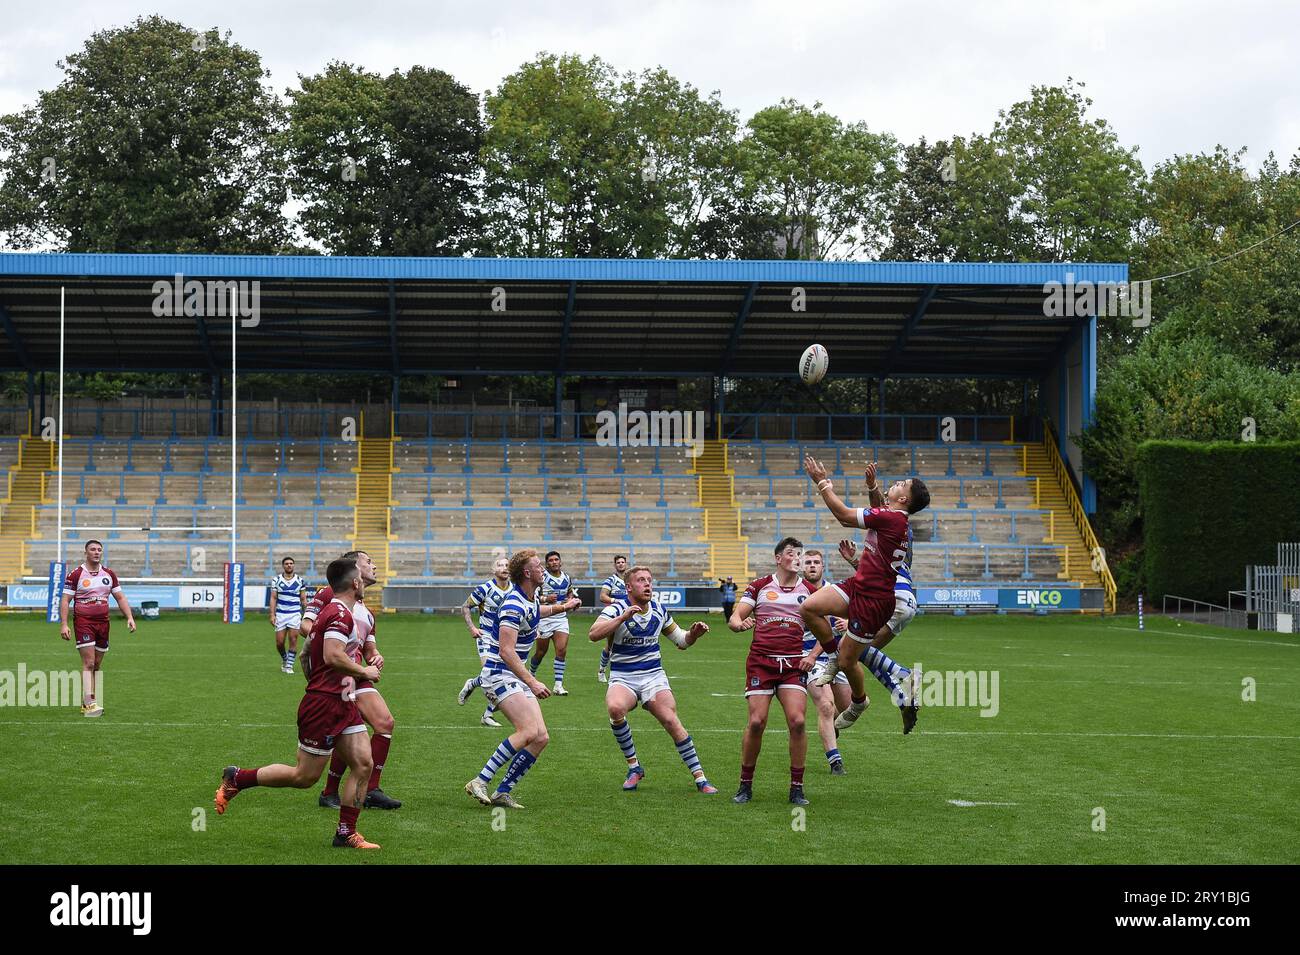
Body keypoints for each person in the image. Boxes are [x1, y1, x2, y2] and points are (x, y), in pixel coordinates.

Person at [214, 557, 382, 849]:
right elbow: (332, 655)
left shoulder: (334, 612)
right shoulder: (340, 614)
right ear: (355, 583)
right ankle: (237, 778)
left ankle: (346, 832)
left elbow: (306, 656)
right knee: (304, 777)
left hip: (341, 700)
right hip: (325, 706)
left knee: (364, 763)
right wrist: (363, 671)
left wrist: (322, 682)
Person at [799, 458, 929, 736]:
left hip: (880, 601)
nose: (896, 483)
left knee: (852, 658)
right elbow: (881, 510)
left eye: (901, 484)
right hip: (866, 589)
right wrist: (873, 486)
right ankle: (899, 684)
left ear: (904, 498)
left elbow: (846, 516)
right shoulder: (895, 521)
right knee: (811, 609)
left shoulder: (893, 519)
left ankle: (864, 697)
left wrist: (822, 483)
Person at [464, 549, 581, 810]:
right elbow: (506, 651)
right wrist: (533, 681)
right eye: (539, 566)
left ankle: (502, 791)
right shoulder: (513, 605)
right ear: (527, 573)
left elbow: (537, 611)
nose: (543, 570)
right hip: (498, 673)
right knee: (528, 731)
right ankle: (480, 781)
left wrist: (565, 606)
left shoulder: (529, 598)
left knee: (541, 738)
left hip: (512, 674)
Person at [588, 566, 717, 795]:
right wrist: (622, 618)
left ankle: (701, 778)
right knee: (615, 708)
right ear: (629, 587)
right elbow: (593, 634)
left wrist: (694, 634)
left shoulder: (659, 610)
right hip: (623, 677)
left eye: (649, 580)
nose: (647, 584)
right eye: (641, 580)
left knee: (671, 720)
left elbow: (681, 641)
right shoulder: (616, 608)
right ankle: (634, 767)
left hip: (653, 676)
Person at [299, 550, 401, 810]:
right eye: (369, 562)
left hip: (355, 673)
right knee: (347, 731)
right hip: (337, 675)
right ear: (355, 568)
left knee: (384, 723)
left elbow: (369, 648)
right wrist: (330, 646)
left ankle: (370, 788)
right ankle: (332, 791)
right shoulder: (329, 594)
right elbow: (306, 625)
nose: (375, 566)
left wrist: (376, 657)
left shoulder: (367, 612)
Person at [729, 537, 814, 806]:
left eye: (800, 554)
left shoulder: (810, 590)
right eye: (792, 554)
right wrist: (737, 624)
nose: (797, 558)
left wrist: (812, 655)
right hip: (761, 662)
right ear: (779, 558)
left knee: (798, 722)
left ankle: (797, 788)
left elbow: (830, 629)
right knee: (756, 722)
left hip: (792, 664)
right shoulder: (759, 586)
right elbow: (735, 617)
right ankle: (745, 785)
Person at [59, 540, 135, 718]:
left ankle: (89, 701)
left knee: (97, 665)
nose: (96, 552)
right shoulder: (76, 574)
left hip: (103, 623)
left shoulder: (109, 574)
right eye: (93, 549)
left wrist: (130, 617)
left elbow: (120, 597)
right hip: (84, 622)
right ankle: (89, 703)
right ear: (85, 552)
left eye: (99, 550)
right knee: (89, 663)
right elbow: (65, 600)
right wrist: (64, 624)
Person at [797, 550, 851, 774]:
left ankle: (830, 727)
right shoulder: (795, 592)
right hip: (809, 655)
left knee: (849, 708)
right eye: (808, 562)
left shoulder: (834, 592)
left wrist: (848, 622)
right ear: (801, 566)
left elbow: (856, 614)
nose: (812, 566)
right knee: (826, 706)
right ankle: (835, 761)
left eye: (816, 562)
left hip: (834, 655)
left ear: (822, 566)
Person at [458, 556, 511, 727]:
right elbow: (465, 606)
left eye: (507, 565)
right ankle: (486, 712)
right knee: (491, 676)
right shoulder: (485, 589)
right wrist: (472, 628)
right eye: (500, 565)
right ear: (493, 570)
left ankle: (486, 713)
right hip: (486, 636)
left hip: (506, 639)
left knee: (506, 679)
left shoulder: (515, 590)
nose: (504, 568)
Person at [528, 550, 577, 695]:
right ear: (547, 563)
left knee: (561, 651)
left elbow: (570, 593)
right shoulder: (542, 578)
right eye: (551, 560)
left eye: (556, 560)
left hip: (561, 617)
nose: (554, 562)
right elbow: (534, 596)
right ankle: (531, 674)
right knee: (541, 652)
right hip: (545, 617)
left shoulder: (566, 578)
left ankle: (558, 685)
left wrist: (571, 600)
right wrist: (545, 599)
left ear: (560, 562)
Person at [269, 556, 306, 674]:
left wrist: (306, 615)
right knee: (279, 643)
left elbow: (303, 599)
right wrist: (272, 615)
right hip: (281, 614)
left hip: (295, 614)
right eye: (286, 564)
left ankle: (289, 666)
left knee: (293, 639)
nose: (289, 565)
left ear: (293, 565)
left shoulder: (300, 580)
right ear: (283, 566)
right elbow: (273, 598)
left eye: (291, 563)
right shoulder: (277, 580)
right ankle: (285, 658)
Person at [596, 555, 630, 682]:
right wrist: (616, 600)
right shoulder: (611, 580)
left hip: (630, 616)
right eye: (618, 562)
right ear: (615, 565)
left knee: (628, 642)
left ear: (626, 564)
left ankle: (623, 671)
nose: (621, 564)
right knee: (610, 644)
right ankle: (602, 670)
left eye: (623, 562)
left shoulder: (631, 579)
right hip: (615, 616)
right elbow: (603, 596)